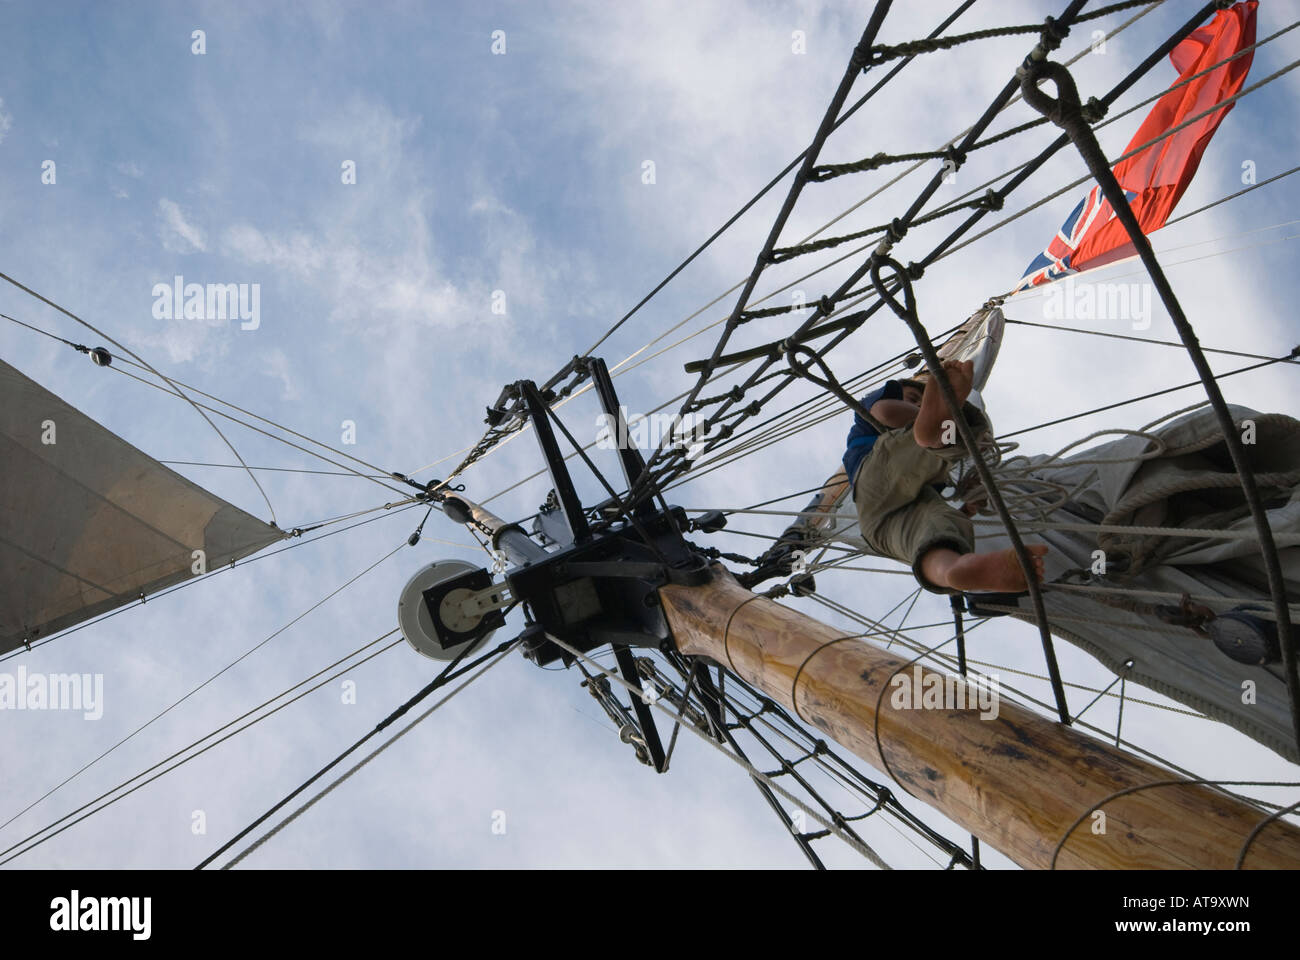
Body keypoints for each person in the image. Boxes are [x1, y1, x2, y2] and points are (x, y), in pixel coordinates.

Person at [843, 360, 1046, 594]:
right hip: (879, 472)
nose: (918, 402)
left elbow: (928, 497)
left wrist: (966, 509)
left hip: (879, 517)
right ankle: (941, 428)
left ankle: (954, 569)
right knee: (942, 442)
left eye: (924, 400)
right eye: (912, 397)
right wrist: (927, 414)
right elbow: (884, 411)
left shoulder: (925, 471)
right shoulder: (874, 412)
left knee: (937, 534)